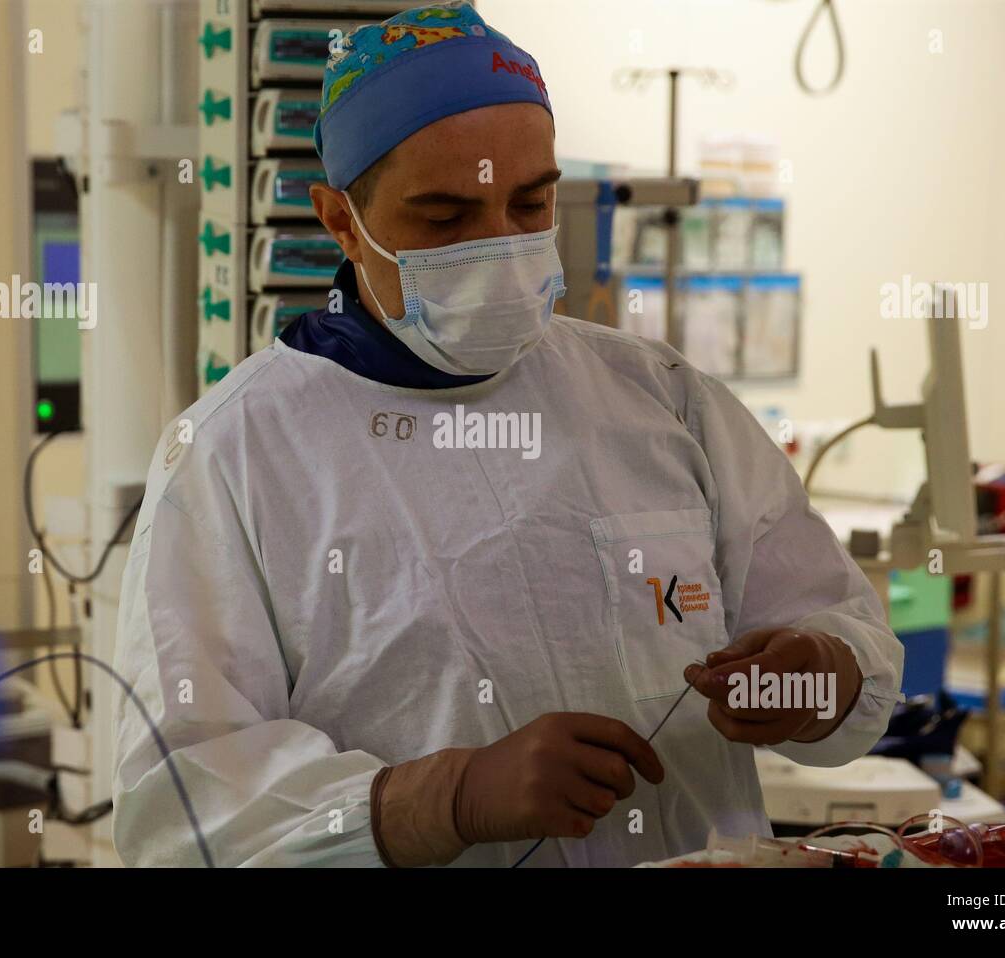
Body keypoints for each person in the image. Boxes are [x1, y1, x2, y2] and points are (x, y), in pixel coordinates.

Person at [112, 2, 903, 868]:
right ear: (340, 219)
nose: (498, 247)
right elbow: (181, 803)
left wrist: (818, 675)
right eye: (444, 219)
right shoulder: (238, 455)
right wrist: (440, 799)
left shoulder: (662, 399)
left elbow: (843, 632)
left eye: (530, 205)